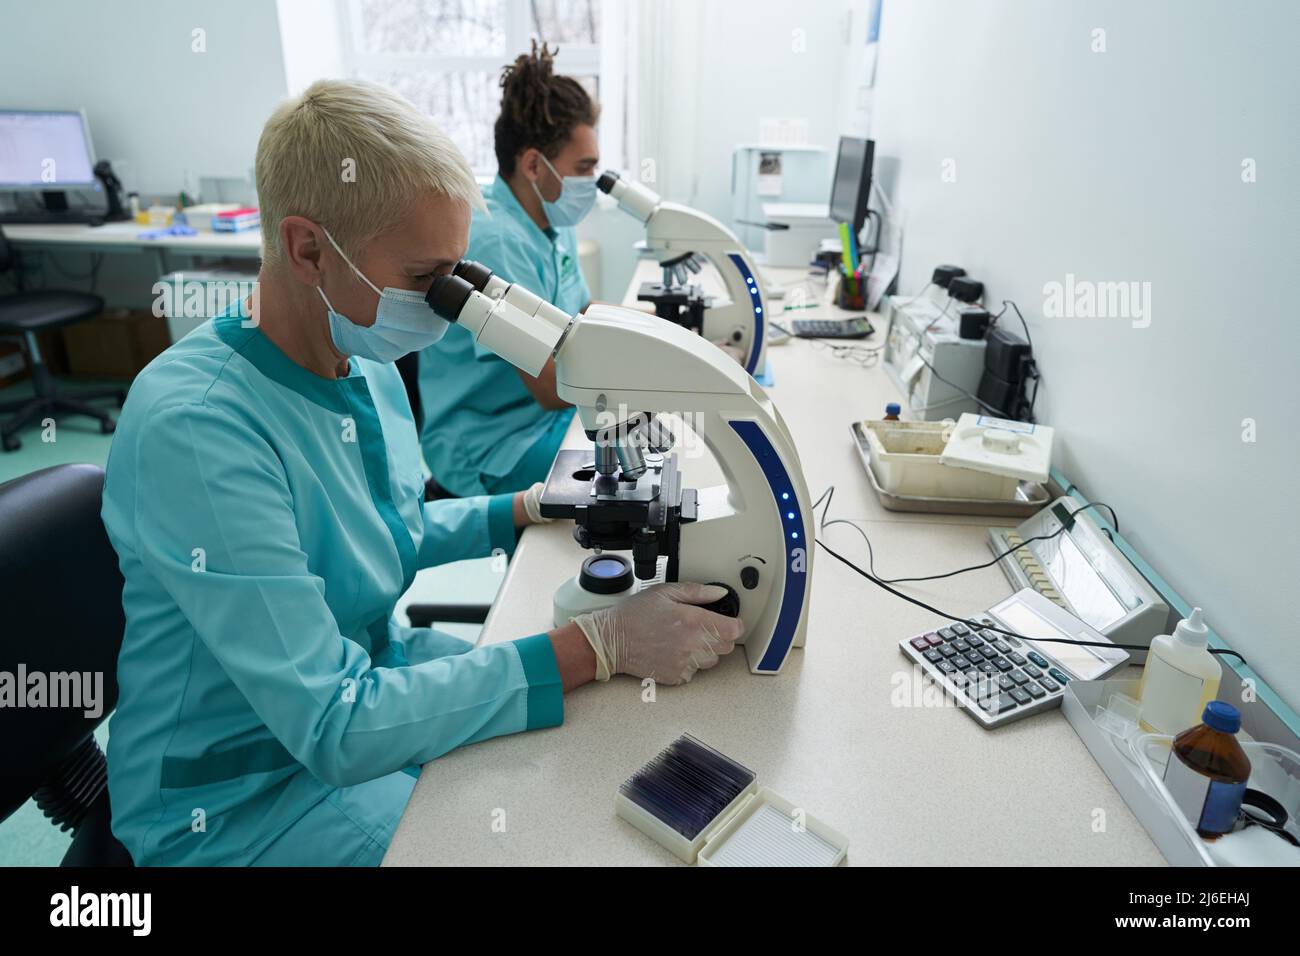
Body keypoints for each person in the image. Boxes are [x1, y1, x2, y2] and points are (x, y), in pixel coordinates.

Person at [101, 79, 742, 867]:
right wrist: (595, 646)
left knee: (589, 758)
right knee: (514, 840)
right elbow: (336, 725)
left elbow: (372, 529)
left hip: (373, 672)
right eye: (424, 279)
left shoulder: (357, 357)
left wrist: (520, 507)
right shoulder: (198, 428)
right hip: (247, 794)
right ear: (308, 248)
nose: (446, 306)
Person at [417, 42, 599, 497]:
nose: (592, 183)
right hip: (491, 444)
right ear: (534, 165)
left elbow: (584, 314)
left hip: (540, 420)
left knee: (644, 440)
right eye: (584, 168)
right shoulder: (496, 239)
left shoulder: (551, 219)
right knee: (621, 473)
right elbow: (552, 387)